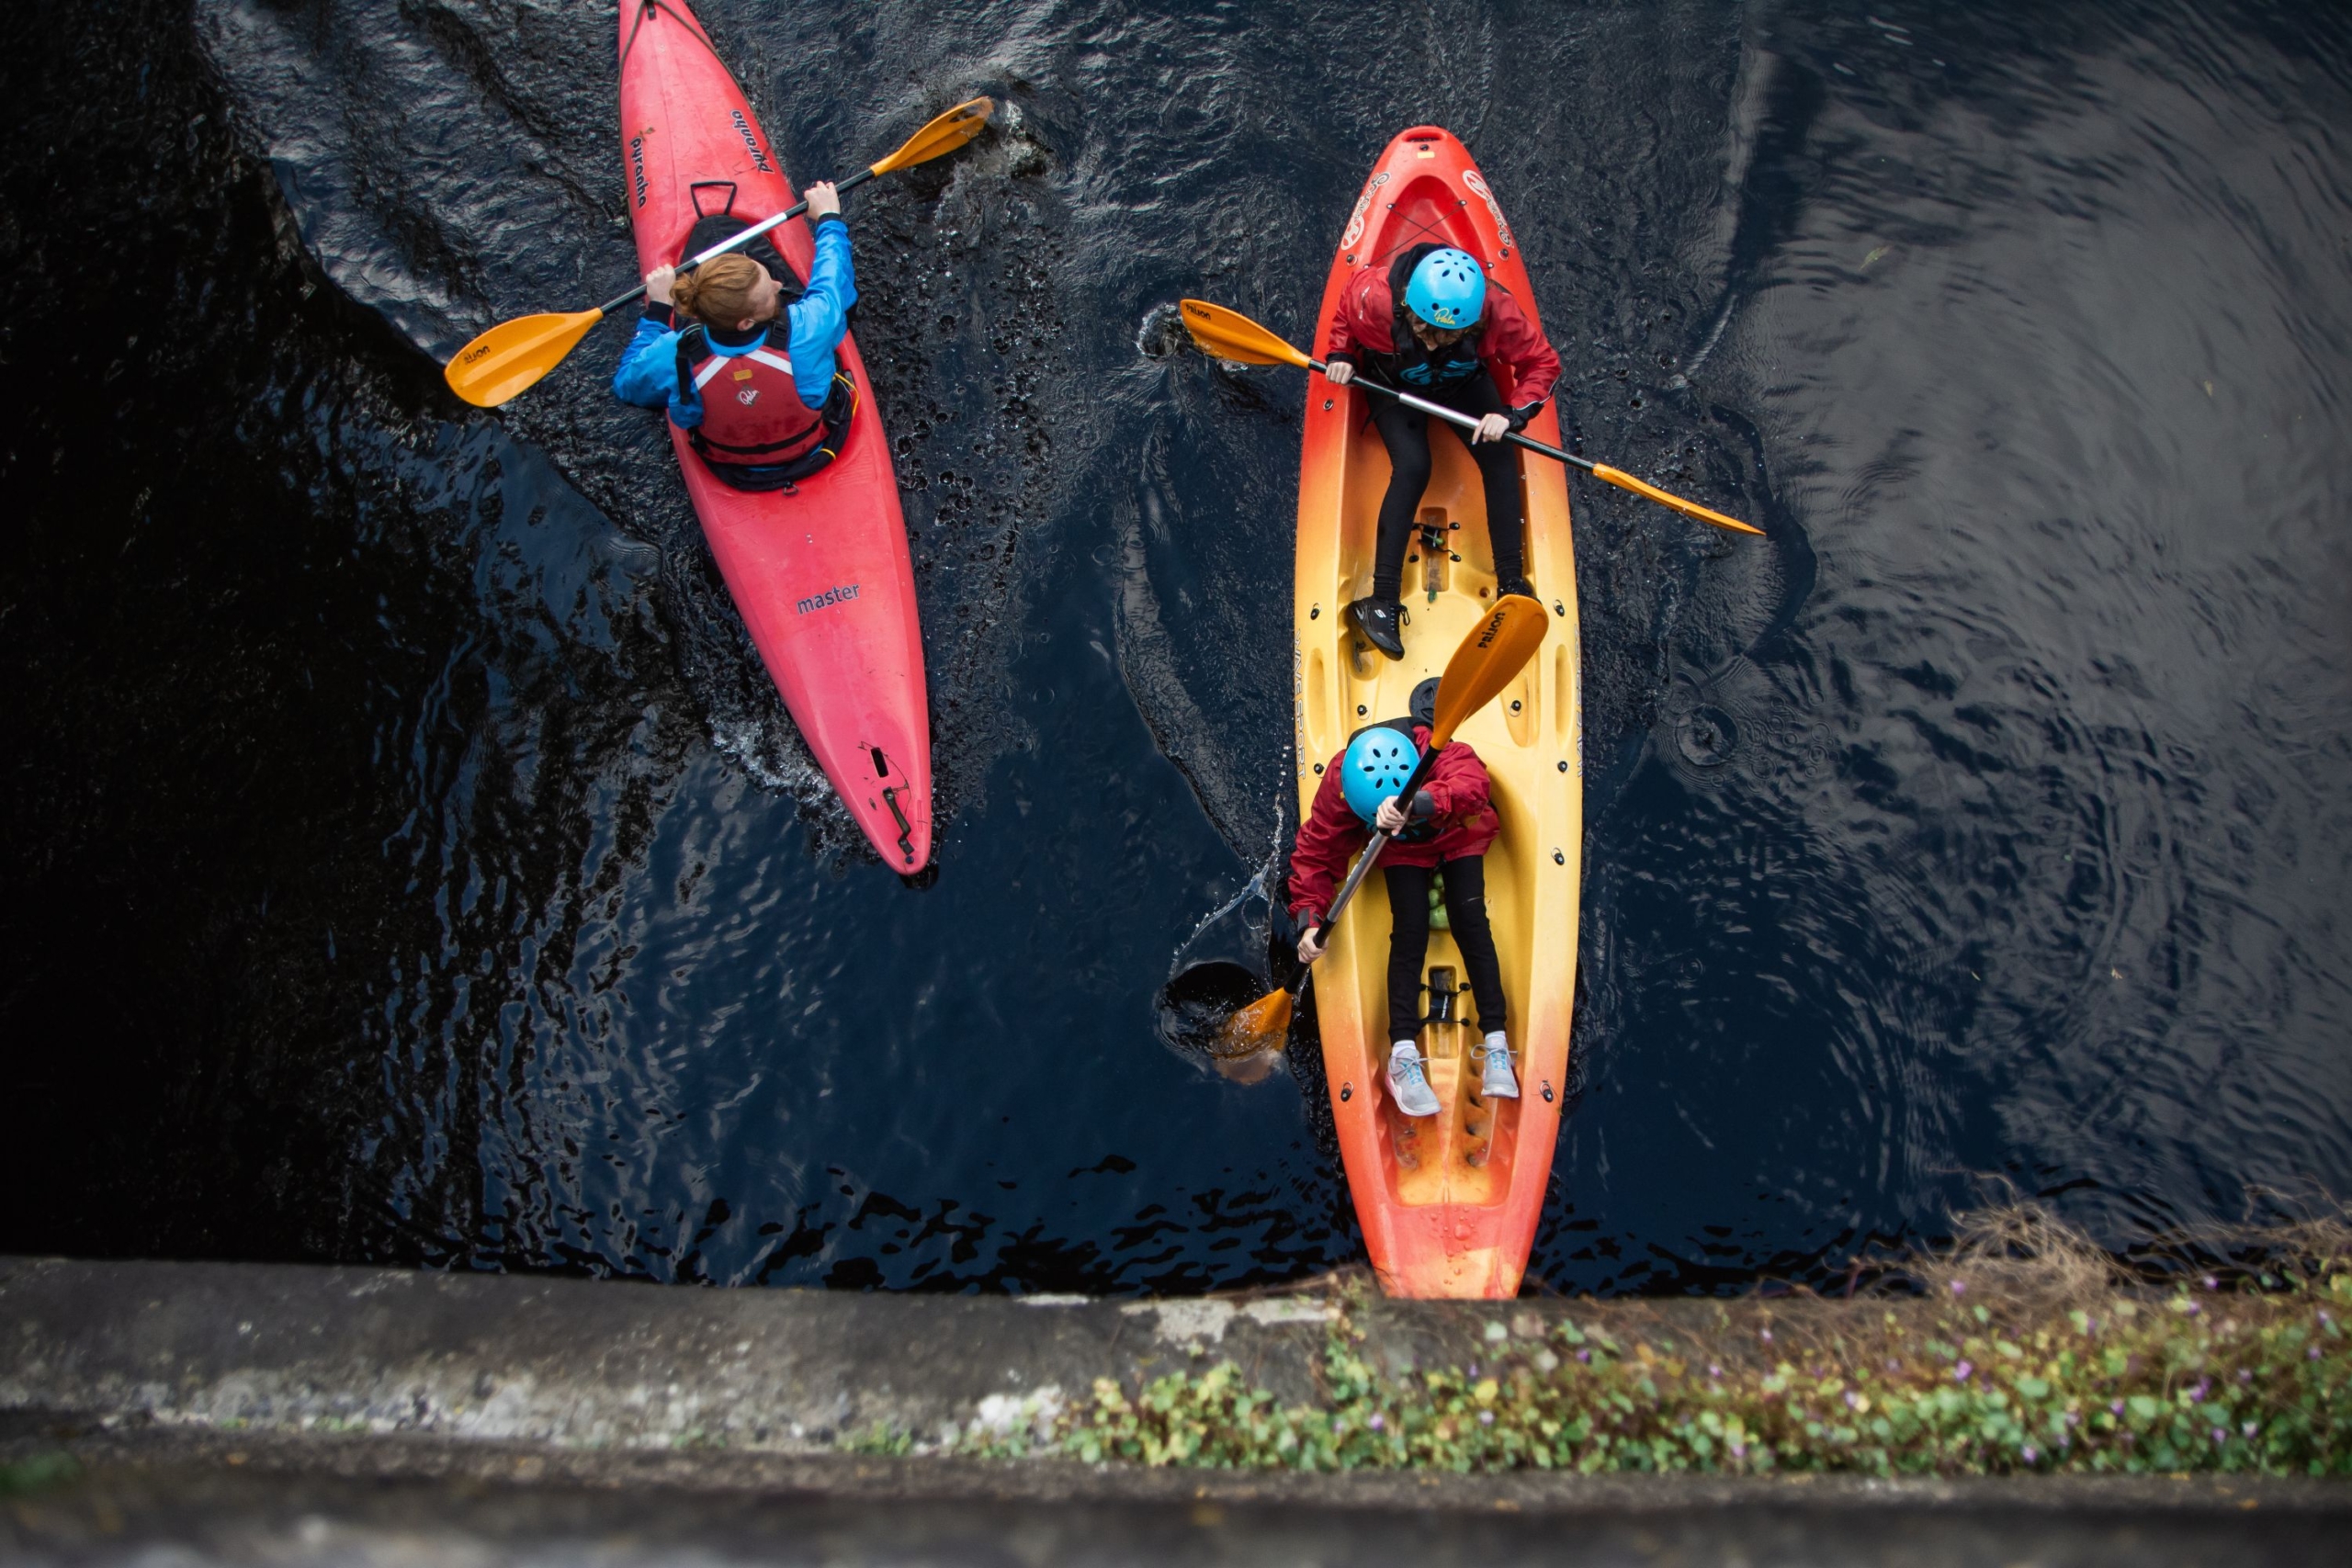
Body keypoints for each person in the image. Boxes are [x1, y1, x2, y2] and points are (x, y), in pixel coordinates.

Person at [1288, 679, 1518, 1116]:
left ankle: (1497, 1041)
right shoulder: (1342, 780)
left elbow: (1473, 786)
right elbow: (1314, 854)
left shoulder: (1433, 747)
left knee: (1469, 916)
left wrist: (1422, 804)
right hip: (1401, 849)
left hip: (1457, 830)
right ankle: (1403, 1053)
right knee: (1409, 925)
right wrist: (1309, 918)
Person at [1322, 244, 1560, 658]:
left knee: (1500, 457)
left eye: (1448, 336)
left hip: (1460, 385)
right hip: (1394, 385)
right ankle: (1380, 603)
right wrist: (1341, 353)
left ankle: (1512, 583)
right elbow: (1344, 309)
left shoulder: (1496, 311)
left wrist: (1511, 415)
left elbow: (1543, 364)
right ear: (1405, 307)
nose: (1432, 345)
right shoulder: (1375, 297)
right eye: (1425, 331)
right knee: (1414, 467)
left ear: (1470, 324)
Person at [612, 182, 857, 491]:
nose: (778, 286)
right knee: (828, 307)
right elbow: (832, 280)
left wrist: (659, 309)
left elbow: (627, 385)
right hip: (818, 444)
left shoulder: (676, 351)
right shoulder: (809, 324)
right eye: (770, 292)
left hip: (732, 468)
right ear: (745, 322)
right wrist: (829, 219)